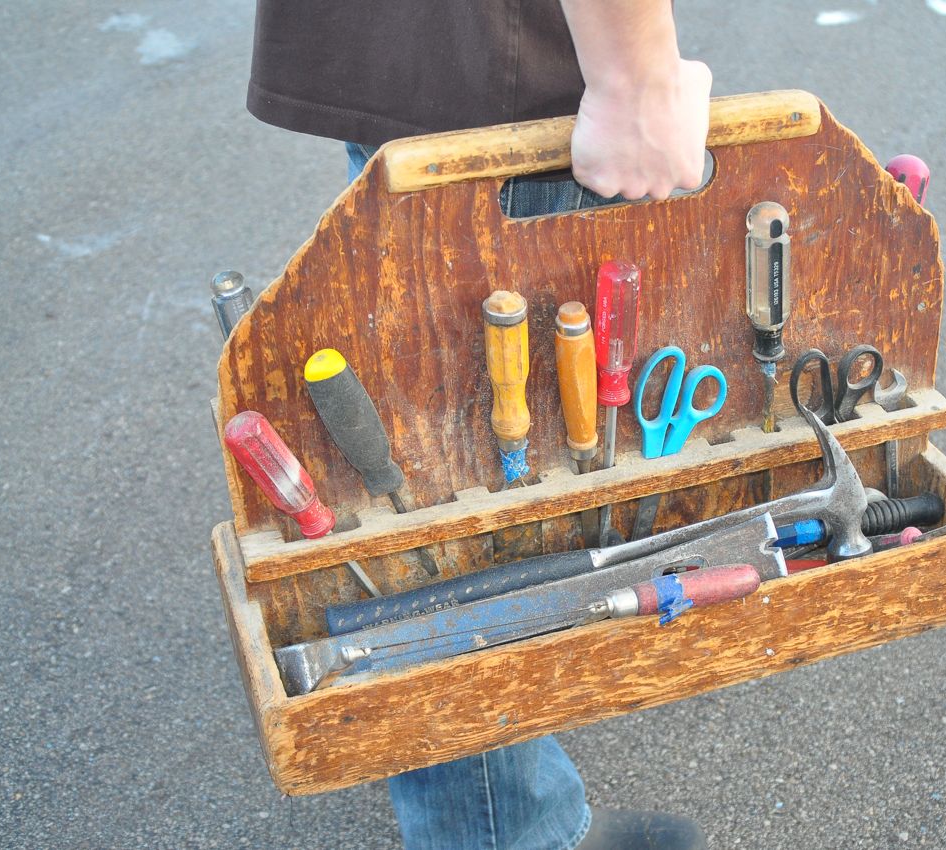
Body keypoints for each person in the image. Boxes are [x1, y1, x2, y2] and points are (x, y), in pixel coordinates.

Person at [247, 3, 712, 848]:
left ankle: (515, 817)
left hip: (409, 52)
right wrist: (635, 78)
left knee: (433, 468)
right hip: (502, 73)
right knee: (453, 522)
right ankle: (515, 836)